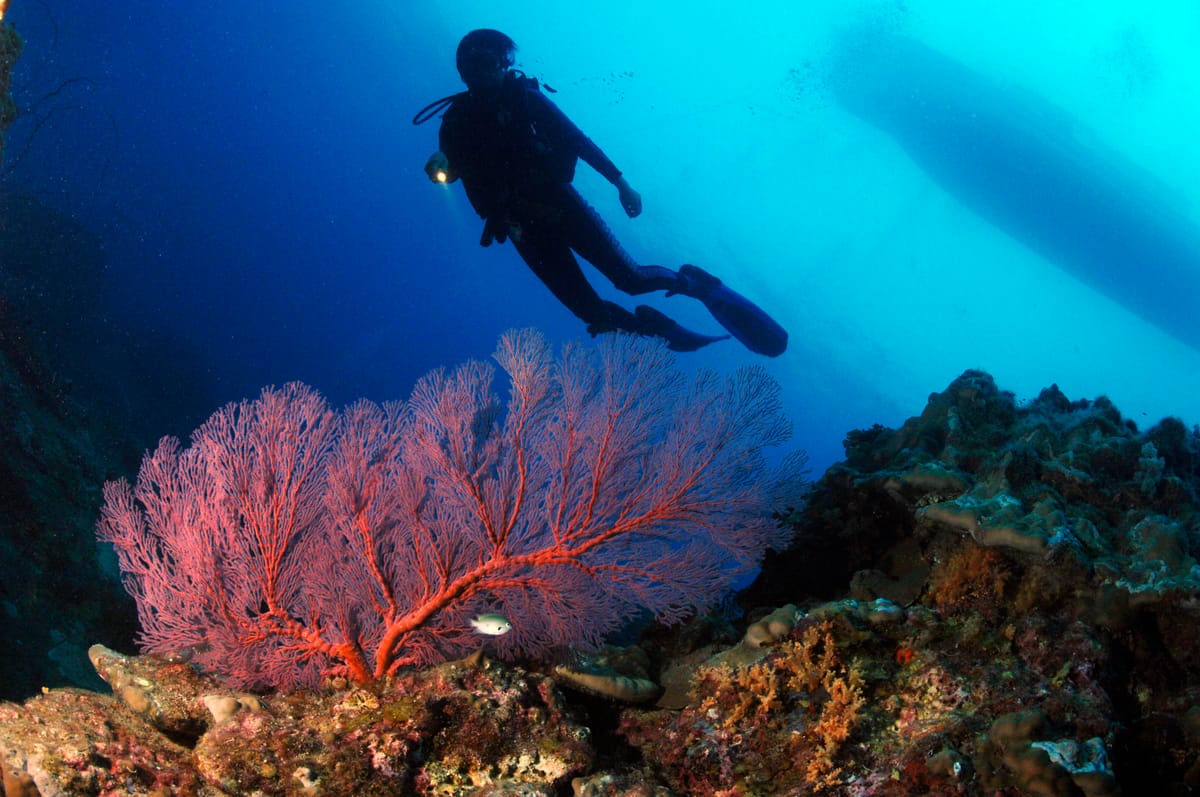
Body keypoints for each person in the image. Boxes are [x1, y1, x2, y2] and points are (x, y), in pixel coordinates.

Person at [417, 29, 787, 356]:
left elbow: (577, 140)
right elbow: (453, 168)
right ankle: (652, 328)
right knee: (587, 310)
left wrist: (621, 183)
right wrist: (441, 169)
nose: (480, 73)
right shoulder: (455, 122)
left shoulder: (526, 100)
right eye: (470, 66)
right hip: (518, 225)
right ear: (462, 71)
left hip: (560, 206)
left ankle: (694, 283)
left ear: (502, 62)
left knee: (632, 280)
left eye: (486, 62)